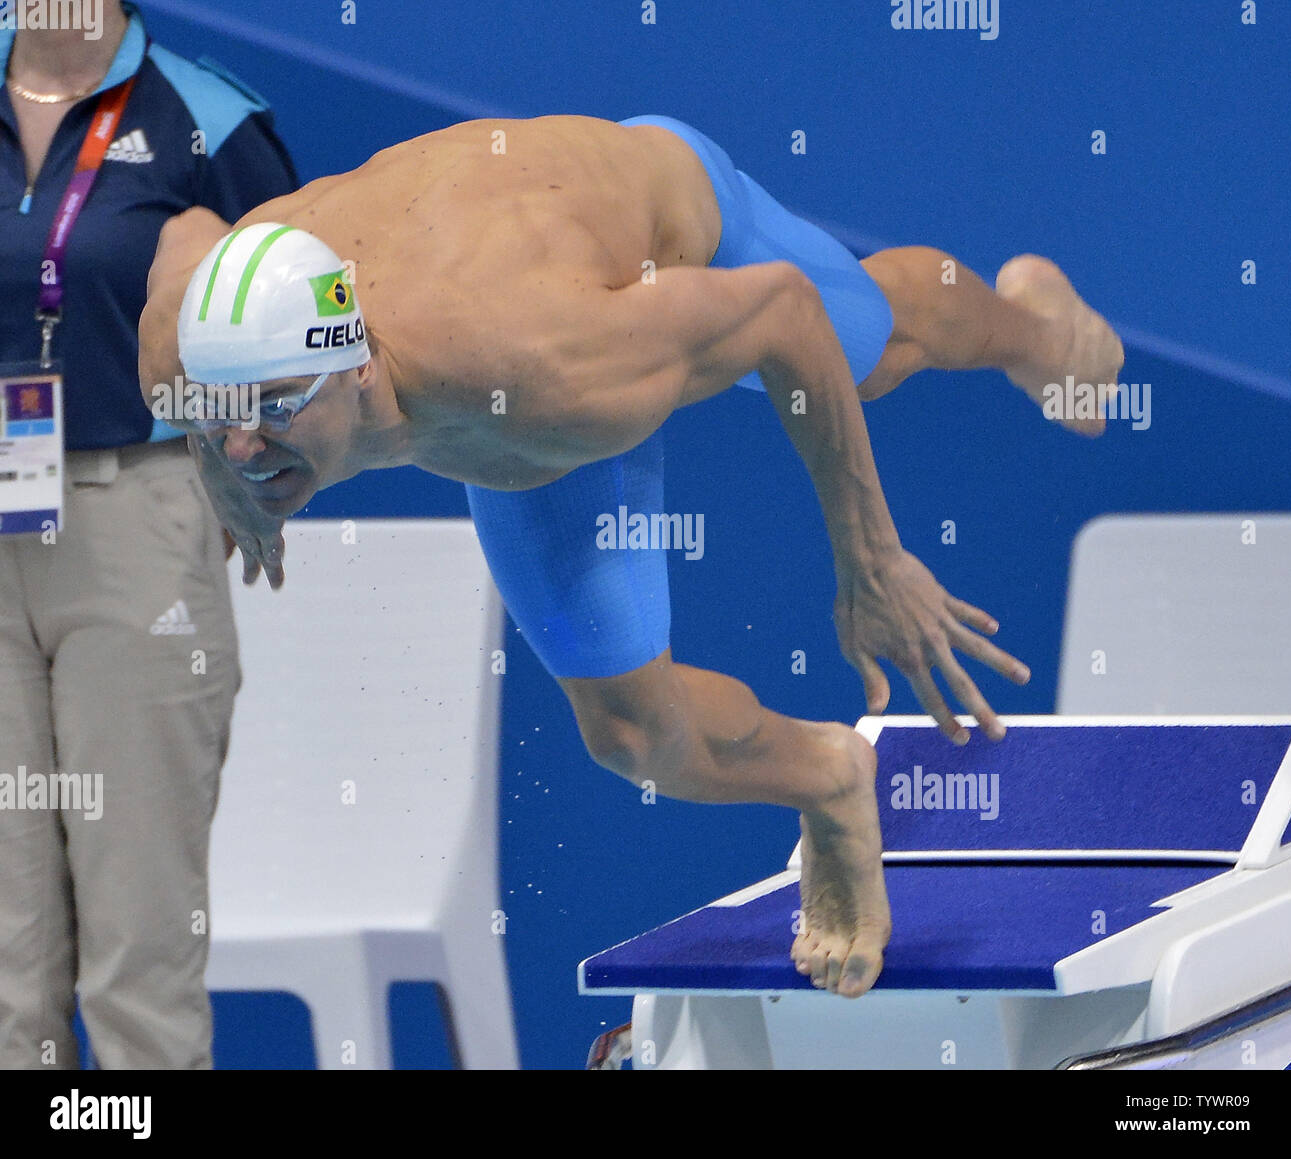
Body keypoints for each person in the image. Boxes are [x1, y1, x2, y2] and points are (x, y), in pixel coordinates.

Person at [139, 113, 1122, 998]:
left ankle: (1037, 331)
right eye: (220, 411)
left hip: (653, 220)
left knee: (865, 343)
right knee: (631, 737)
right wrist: (232, 473)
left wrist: (869, 559)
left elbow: (780, 313)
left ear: (354, 365)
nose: (243, 443)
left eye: (273, 408)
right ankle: (828, 776)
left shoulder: (536, 362)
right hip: (508, 385)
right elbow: (181, 248)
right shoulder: (193, 349)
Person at [0, 1, 296, 1067]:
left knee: (136, 950)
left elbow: (312, 329)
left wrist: (254, 465)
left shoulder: (207, 122)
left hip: (138, 523)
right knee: (6, 960)